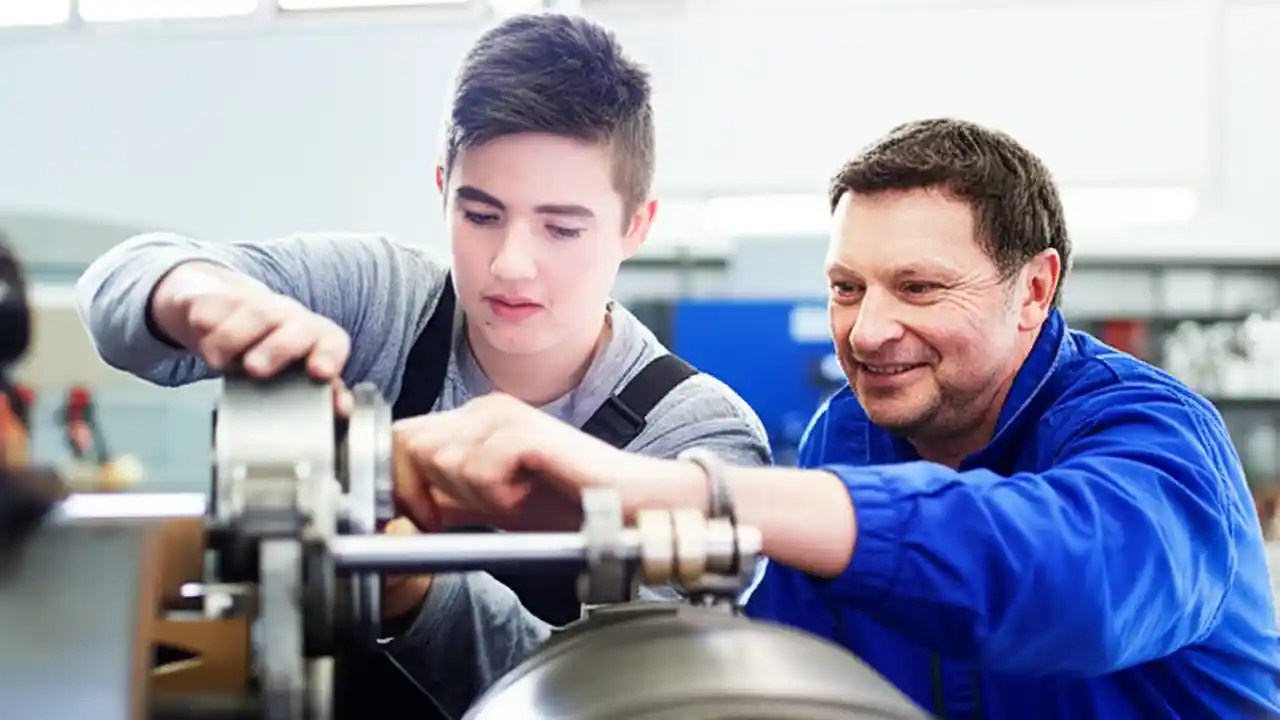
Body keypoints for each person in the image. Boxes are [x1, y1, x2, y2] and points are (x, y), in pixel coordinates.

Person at [391, 118, 1280, 718]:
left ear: (1034, 290)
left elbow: (1064, 580)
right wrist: (422, 595)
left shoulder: (1155, 437)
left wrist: (695, 494)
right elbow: (768, 675)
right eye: (846, 288)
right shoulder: (846, 436)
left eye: (920, 288)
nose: (870, 329)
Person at [74, 12, 770, 718]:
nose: (511, 264)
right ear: (443, 188)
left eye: (560, 228)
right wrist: (205, 301)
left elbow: (632, 702)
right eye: (481, 215)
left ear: (636, 226)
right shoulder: (380, 301)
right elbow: (124, 277)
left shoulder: (694, 438)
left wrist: (419, 587)